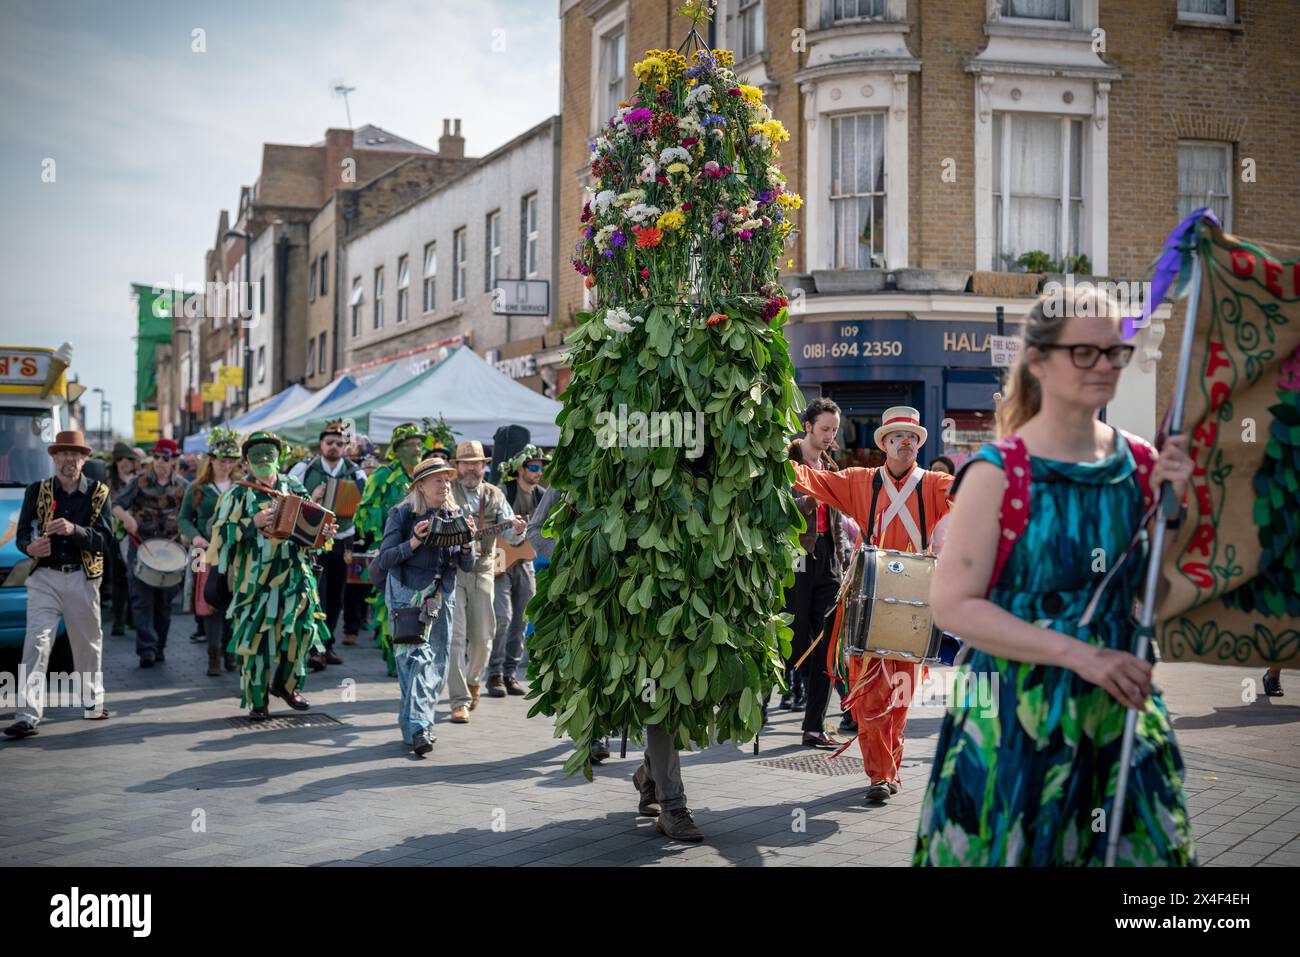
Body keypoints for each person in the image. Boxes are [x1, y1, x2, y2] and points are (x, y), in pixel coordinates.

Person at [915, 288, 1196, 866]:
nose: (1106, 366)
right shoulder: (999, 472)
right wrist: (1079, 655)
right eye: (1085, 353)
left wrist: (1178, 514)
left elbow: (1159, 598)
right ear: (1039, 361)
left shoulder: (1143, 465)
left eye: (1115, 352)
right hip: (1017, 724)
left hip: (1118, 717)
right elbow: (953, 608)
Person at [791, 405, 954, 804]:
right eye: (898, 437)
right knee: (868, 696)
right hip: (867, 600)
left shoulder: (933, 484)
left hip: (914, 606)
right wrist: (776, 452)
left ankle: (890, 768)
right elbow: (813, 480)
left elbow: (976, 489)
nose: (906, 443)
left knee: (899, 694)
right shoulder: (860, 481)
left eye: (912, 438)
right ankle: (879, 774)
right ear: (884, 444)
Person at [207, 431, 335, 720]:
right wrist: (251, 523)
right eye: (257, 454)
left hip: (296, 577)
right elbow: (219, 535)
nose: (264, 459)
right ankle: (258, 699)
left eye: (270, 454)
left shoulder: (293, 486)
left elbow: (313, 530)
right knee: (259, 640)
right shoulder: (238, 493)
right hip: (255, 582)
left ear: (279, 458)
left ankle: (286, 686)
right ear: (246, 462)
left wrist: (325, 534)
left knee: (303, 633)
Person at [4, 430, 113, 739]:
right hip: (45, 578)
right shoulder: (37, 490)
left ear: (85, 459)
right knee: (35, 643)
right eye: (64, 453)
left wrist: (74, 530)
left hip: (82, 576)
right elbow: (23, 532)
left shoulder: (99, 492)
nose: (70, 459)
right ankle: (27, 715)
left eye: (76, 454)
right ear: (53, 457)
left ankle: (92, 703)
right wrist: (30, 547)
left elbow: (105, 540)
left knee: (87, 643)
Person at [374, 457, 476, 755]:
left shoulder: (456, 513)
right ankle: (421, 726)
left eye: (447, 480)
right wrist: (415, 542)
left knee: (439, 662)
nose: (445, 485)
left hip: (442, 594)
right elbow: (385, 558)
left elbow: (466, 565)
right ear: (420, 486)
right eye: (437, 480)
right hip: (407, 592)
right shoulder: (402, 514)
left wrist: (468, 544)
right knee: (415, 658)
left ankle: (411, 725)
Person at [525, 485, 612, 763]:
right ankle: (590, 733)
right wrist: (567, 557)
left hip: (608, 585)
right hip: (568, 589)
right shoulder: (561, 485)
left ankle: (600, 726)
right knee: (577, 658)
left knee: (606, 658)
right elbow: (535, 530)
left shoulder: (619, 480)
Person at [447, 439, 527, 724]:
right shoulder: (448, 492)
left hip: (483, 569)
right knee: (455, 639)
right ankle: (458, 700)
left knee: (483, 636)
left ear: (484, 466)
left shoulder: (494, 494)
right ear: (457, 466)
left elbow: (510, 534)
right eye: (465, 463)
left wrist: (517, 530)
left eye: (476, 463)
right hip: (452, 572)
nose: (470, 469)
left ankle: (472, 681)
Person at [785, 399, 848, 749]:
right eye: (824, 429)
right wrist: (811, 498)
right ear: (807, 426)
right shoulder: (787, 462)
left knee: (827, 643)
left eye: (834, 430)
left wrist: (842, 557)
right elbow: (779, 509)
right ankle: (765, 700)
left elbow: (837, 522)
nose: (829, 436)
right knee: (793, 641)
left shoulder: (831, 467)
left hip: (826, 558)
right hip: (795, 556)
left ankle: (814, 725)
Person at [289, 420, 368, 669]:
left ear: (345, 446)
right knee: (315, 594)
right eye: (329, 442)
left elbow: (365, 504)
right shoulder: (304, 468)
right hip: (312, 541)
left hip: (342, 539)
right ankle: (313, 648)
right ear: (321, 444)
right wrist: (311, 498)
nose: (334, 446)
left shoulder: (356, 472)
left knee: (336, 596)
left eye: (339, 443)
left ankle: (328, 644)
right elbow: (288, 498)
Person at [355, 423, 426, 677]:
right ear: (397, 451)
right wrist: (391, 520)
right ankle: (393, 661)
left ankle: (415, 654)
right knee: (390, 608)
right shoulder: (382, 476)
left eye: (419, 443)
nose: (416, 448)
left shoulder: (425, 476)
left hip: (422, 552)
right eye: (409, 445)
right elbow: (362, 513)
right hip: (391, 550)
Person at [112, 437, 188, 668]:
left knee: (164, 604)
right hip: (142, 545)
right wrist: (126, 519)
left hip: (171, 550)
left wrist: (186, 532)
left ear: (174, 460)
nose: (160, 462)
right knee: (141, 599)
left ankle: (159, 647)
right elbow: (115, 505)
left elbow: (189, 516)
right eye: (156, 457)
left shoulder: (184, 486)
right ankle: (146, 649)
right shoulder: (139, 481)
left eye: (165, 458)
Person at [179, 427, 242, 676]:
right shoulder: (197, 487)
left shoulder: (241, 487)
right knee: (211, 603)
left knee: (233, 603)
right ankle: (213, 656)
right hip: (205, 553)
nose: (226, 466)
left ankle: (231, 652)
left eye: (231, 461)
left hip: (236, 553)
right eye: (222, 460)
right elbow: (184, 518)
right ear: (212, 460)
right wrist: (195, 537)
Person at [488, 443, 548, 698]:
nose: (538, 473)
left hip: (525, 560)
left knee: (523, 618)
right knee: (502, 617)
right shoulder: (504, 491)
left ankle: (510, 673)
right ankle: (494, 674)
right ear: (520, 469)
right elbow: (491, 523)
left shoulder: (542, 495)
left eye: (541, 468)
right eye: (533, 467)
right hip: (501, 558)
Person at [106, 443, 139, 636]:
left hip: (134, 534)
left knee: (135, 577)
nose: (130, 464)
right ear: (118, 461)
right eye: (127, 460)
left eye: (132, 461)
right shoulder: (109, 483)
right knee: (119, 578)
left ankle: (131, 617)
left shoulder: (136, 481)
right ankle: (118, 620)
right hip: (114, 535)